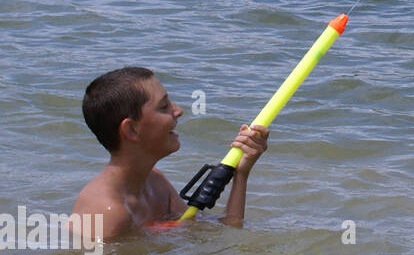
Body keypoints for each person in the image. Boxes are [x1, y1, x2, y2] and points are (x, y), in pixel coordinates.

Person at [73, 66, 268, 239]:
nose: (178, 110)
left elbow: (223, 232)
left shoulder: (155, 183)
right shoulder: (107, 213)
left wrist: (241, 174)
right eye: (164, 106)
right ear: (131, 130)